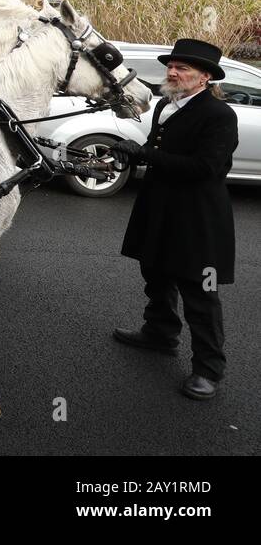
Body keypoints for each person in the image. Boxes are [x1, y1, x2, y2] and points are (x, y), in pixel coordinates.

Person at [109, 39, 238, 401]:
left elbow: (207, 168)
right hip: (159, 207)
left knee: (200, 293)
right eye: (171, 65)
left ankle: (208, 370)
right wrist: (129, 155)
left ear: (205, 78)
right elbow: (157, 149)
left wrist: (145, 153)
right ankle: (160, 333)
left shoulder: (219, 115)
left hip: (197, 217)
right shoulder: (166, 104)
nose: (173, 71)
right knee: (156, 272)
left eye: (183, 68)